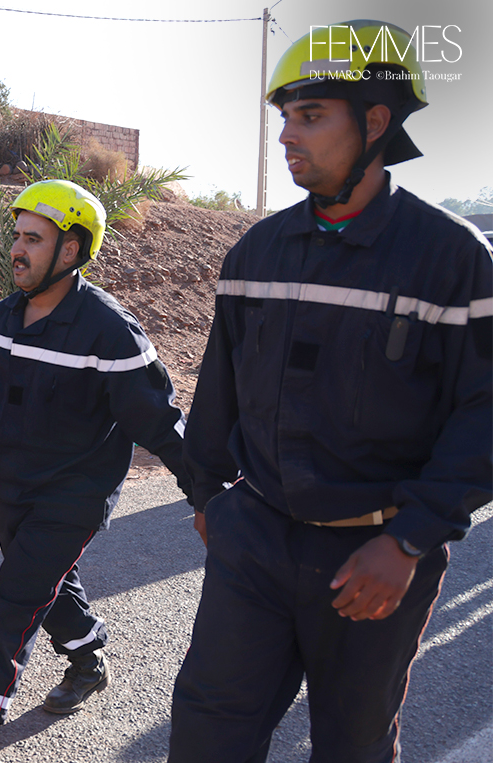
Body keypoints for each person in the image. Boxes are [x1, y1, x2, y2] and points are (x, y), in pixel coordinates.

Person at [170, 21, 492, 763]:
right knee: (206, 734)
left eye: (310, 115)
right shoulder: (256, 252)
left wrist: (409, 540)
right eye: (285, 116)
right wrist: (208, 497)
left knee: (352, 745)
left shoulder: (451, 258)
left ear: (375, 122)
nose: (287, 134)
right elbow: (218, 388)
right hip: (253, 538)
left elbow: (483, 412)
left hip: (372, 556)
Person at [0, 180, 193, 763]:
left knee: (15, 596)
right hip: (11, 485)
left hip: (74, 495)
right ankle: (89, 659)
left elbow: (161, 422)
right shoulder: (2, 317)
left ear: (71, 249)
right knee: (44, 582)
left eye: (33, 239)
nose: (16, 249)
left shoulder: (109, 330)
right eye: (16, 236)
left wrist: (215, 494)